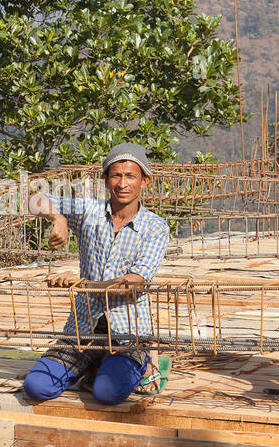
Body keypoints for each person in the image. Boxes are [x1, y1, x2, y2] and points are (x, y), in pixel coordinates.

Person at [23, 143, 170, 406]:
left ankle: (145, 360)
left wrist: (83, 284)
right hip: (83, 330)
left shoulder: (155, 227)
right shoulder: (88, 212)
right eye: (116, 175)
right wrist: (59, 218)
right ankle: (93, 364)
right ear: (105, 179)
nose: (122, 183)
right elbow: (34, 199)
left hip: (129, 333)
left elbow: (135, 283)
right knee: (36, 386)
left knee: (107, 393)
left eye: (130, 176)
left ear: (144, 181)